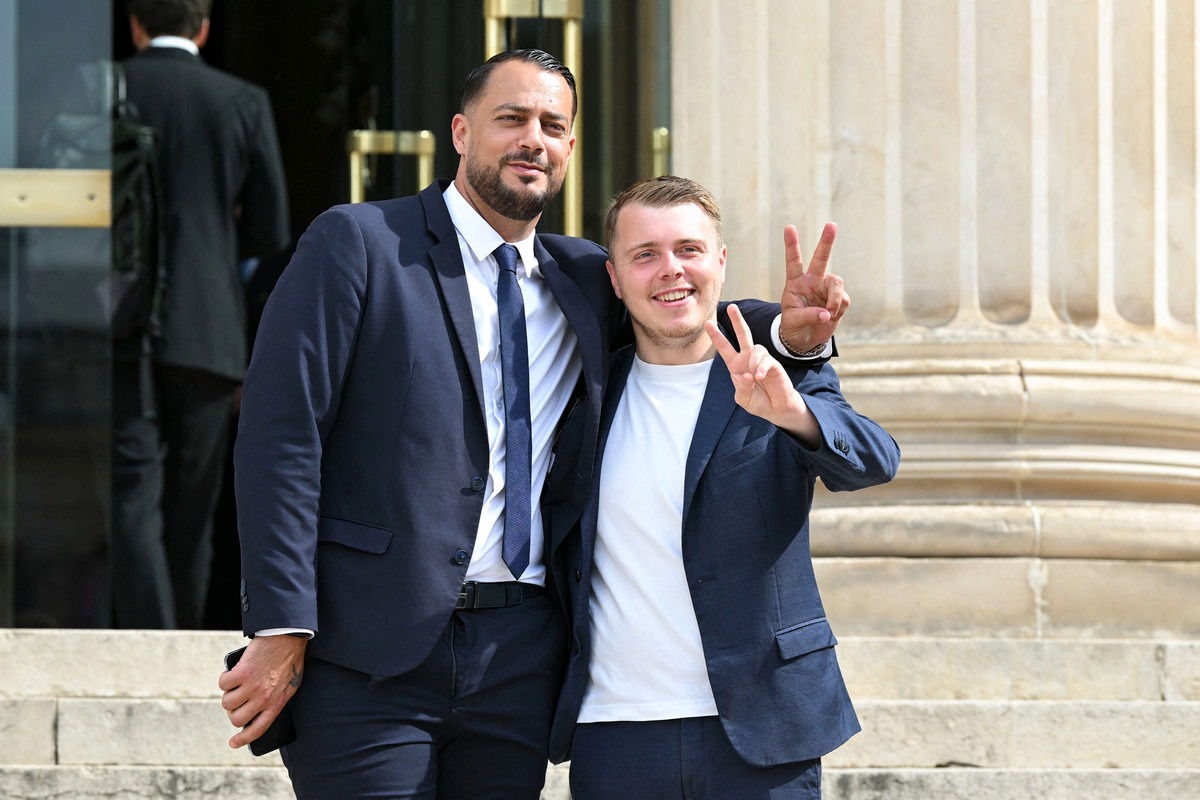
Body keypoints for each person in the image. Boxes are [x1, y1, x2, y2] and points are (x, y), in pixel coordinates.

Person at [219, 50, 840, 799]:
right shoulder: (359, 244)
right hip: (369, 652)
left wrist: (795, 336)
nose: (532, 139)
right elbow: (283, 440)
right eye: (509, 119)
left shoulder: (584, 276)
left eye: (553, 125)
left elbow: (683, 305)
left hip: (517, 660)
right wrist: (283, 625)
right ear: (460, 131)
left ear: (570, 148)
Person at [543, 176, 900, 799]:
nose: (670, 270)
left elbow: (875, 459)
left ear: (721, 262)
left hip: (761, 729)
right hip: (615, 733)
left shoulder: (772, 375)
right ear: (614, 277)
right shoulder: (585, 392)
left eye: (689, 249)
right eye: (644, 254)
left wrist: (792, 408)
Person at [111, 0, 290, 629]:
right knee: (194, 503)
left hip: (117, 320)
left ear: (135, 24)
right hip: (209, 326)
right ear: (204, 29)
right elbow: (270, 229)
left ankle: (143, 635)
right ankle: (182, 637)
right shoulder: (241, 100)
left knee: (132, 489)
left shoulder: (106, 88)